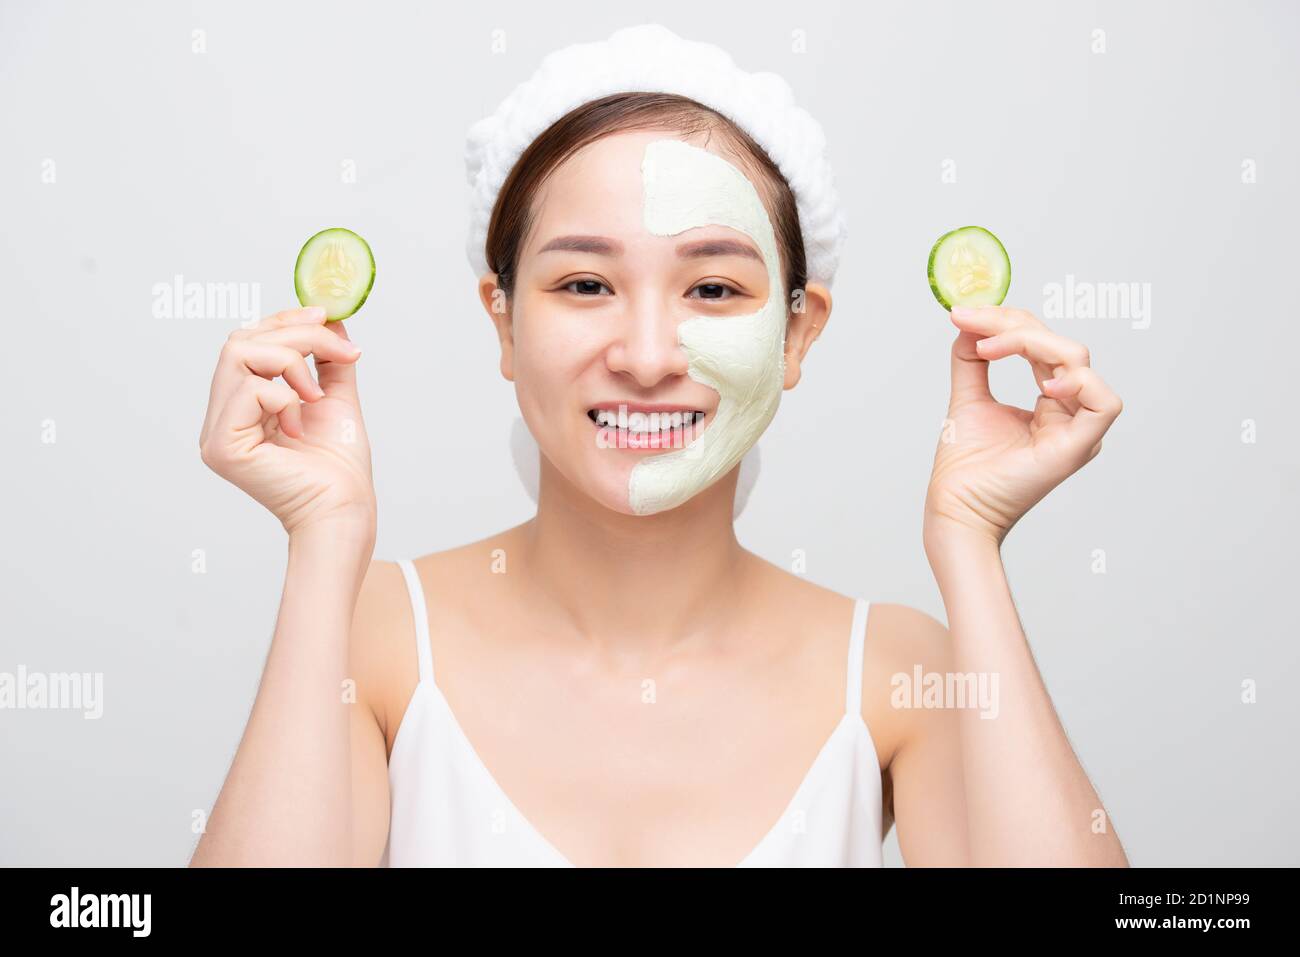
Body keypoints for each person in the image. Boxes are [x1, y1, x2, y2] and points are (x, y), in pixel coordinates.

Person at [191, 24, 1127, 867]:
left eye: (713, 290)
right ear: (505, 324)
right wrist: (321, 545)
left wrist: (972, 542)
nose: (645, 357)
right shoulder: (377, 637)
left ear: (799, 334)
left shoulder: (894, 672)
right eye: (586, 284)